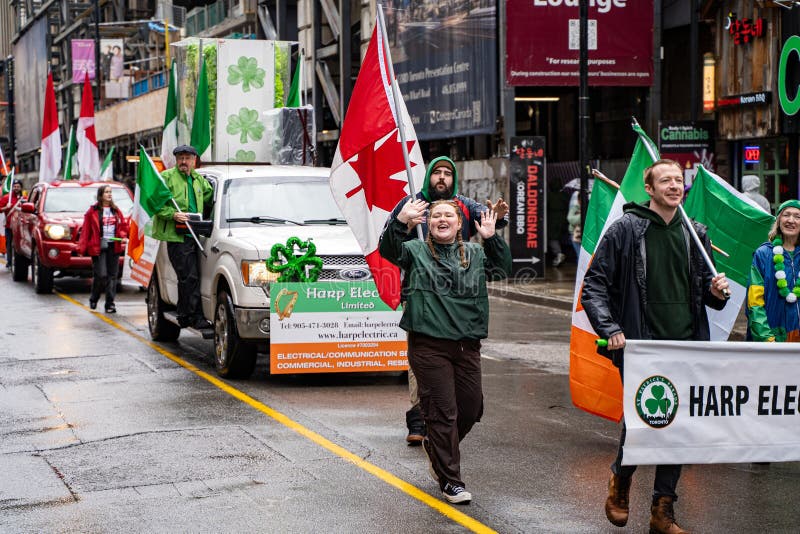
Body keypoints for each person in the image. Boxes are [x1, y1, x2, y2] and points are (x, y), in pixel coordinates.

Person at [581, 159, 729, 534]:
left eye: (679, 180)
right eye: (666, 180)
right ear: (649, 189)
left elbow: (707, 297)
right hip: (640, 345)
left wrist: (715, 293)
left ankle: (663, 510)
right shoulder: (626, 230)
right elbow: (594, 285)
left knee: (677, 426)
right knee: (646, 419)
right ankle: (621, 481)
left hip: (686, 346)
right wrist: (610, 327)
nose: (674, 186)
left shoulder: (695, 232)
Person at [379, 198, 511, 504]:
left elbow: (502, 269)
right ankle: (451, 480)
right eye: (436, 215)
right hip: (428, 347)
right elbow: (388, 250)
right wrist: (400, 221)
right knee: (443, 413)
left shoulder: (476, 253)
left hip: (467, 346)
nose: (442, 219)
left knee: (471, 408)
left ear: (459, 223)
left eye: (448, 215)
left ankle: (437, 445)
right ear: (428, 222)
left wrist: (491, 239)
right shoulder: (415, 251)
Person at [384, 156, 508, 445]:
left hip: (461, 296)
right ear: (428, 177)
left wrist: (497, 219)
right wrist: (402, 220)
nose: (442, 178)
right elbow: (390, 240)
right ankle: (420, 416)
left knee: (467, 397)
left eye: (447, 174)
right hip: (422, 294)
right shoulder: (413, 204)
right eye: (437, 173)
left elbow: (490, 222)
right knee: (425, 361)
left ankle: (444, 429)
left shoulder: (465, 204)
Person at [151, 145, 214, 329]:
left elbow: (210, 199)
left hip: (197, 234)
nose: (183, 162)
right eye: (180, 158)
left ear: (194, 160)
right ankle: (190, 316)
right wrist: (173, 214)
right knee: (189, 277)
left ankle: (185, 313)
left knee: (191, 277)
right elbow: (154, 203)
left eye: (187, 158)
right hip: (177, 236)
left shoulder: (199, 179)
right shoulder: (166, 178)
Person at [747, 200, 800, 342]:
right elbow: (754, 303)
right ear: (778, 220)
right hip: (771, 339)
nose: (791, 220)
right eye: (786, 215)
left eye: (797, 216)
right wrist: (767, 339)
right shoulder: (763, 254)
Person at [78, 185, 129, 313]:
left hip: (114, 246)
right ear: (101, 195)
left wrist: (123, 236)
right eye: (106, 192)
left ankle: (110, 304)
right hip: (98, 246)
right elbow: (85, 231)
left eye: (110, 192)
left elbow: (123, 226)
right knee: (101, 275)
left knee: (113, 276)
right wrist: (81, 248)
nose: (109, 194)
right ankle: (94, 298)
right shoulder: (92, 211)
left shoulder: (116, 210)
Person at [0, 179, 23, 271]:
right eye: (14, 186)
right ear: (12, 187)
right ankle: (9, 262)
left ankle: (20, 263)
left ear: (21, 187)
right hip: (9, 226)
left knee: (20, 245)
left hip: (21, 227)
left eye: (18, 186)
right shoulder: (7, 198)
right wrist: (7, 207)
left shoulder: (24, 198)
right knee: (9, 244)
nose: (16, 188)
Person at [567, 190, 582, 258]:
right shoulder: (575, 207)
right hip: (575, 233)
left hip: (585, 233)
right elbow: (570, 219)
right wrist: (582, 216)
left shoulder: (589, 208)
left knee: (582, 255)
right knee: (579, 254)